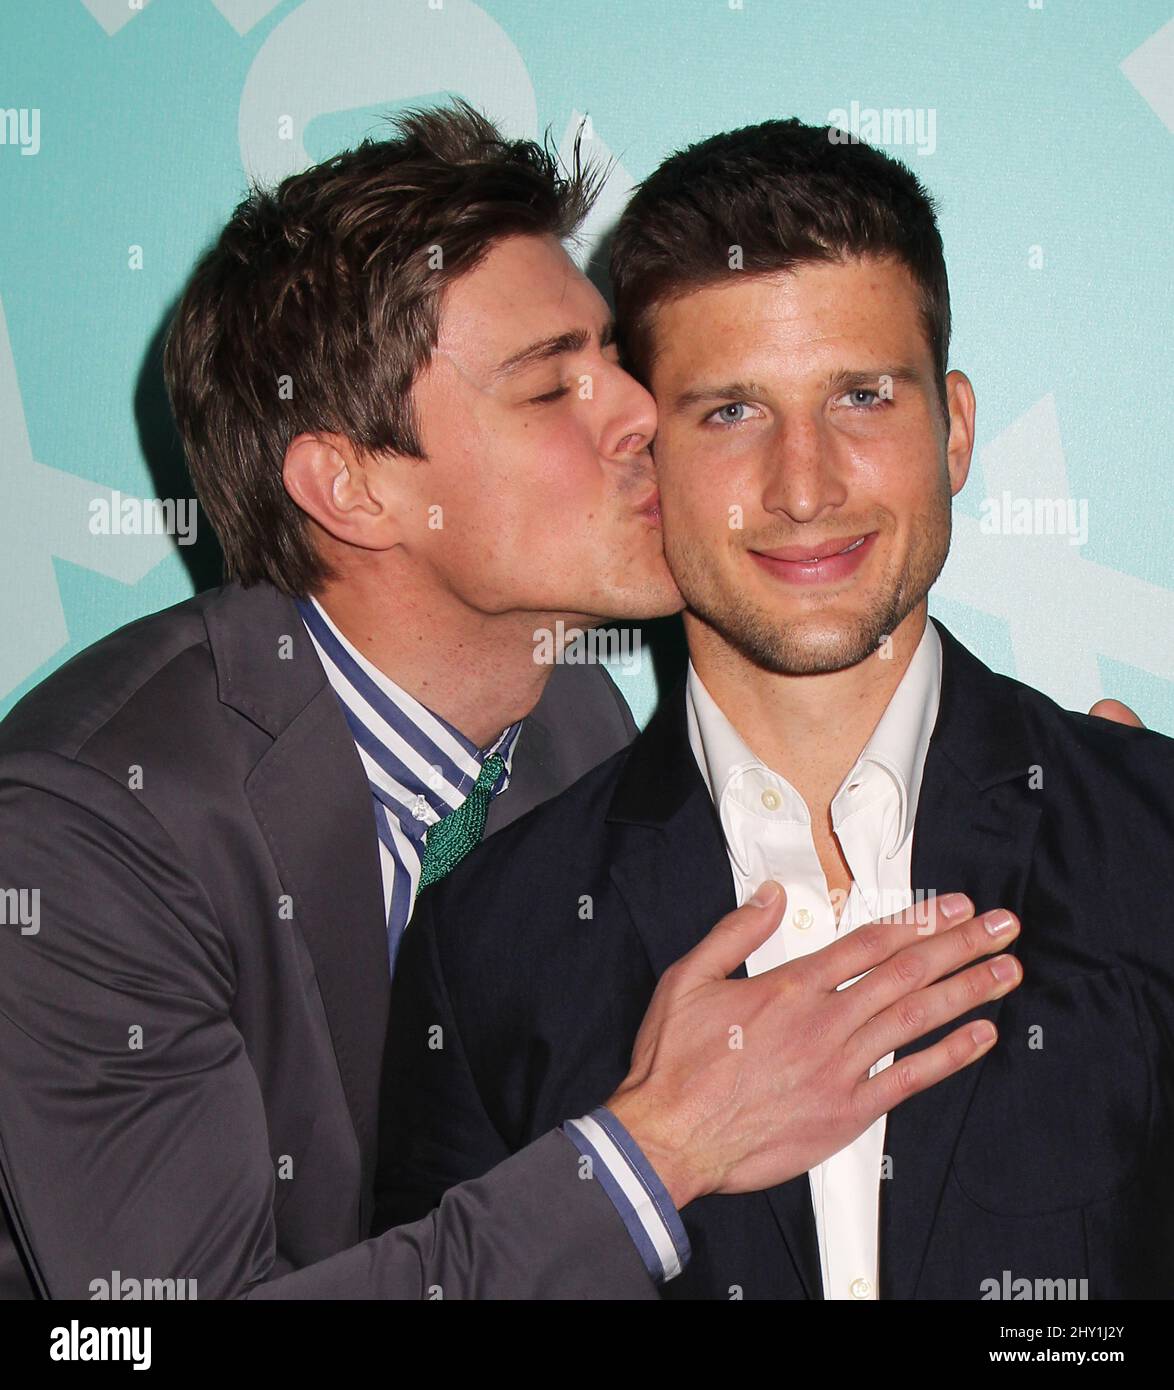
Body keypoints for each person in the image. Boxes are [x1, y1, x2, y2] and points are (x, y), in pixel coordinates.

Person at [0, 104, 1031, 1301]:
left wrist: (1079, 810)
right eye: (553, 390)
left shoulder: (572, 722)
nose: (646, 410)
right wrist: (658, 1154)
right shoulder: (89, 830)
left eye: (610, 358)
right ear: (351, 488)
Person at [377, 116, 1174, 1300]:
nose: (804, 487)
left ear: (953, 429)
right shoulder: (485, 944)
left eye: (860, 396)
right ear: (646, 460)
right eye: (731, 413)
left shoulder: (1150, 842)